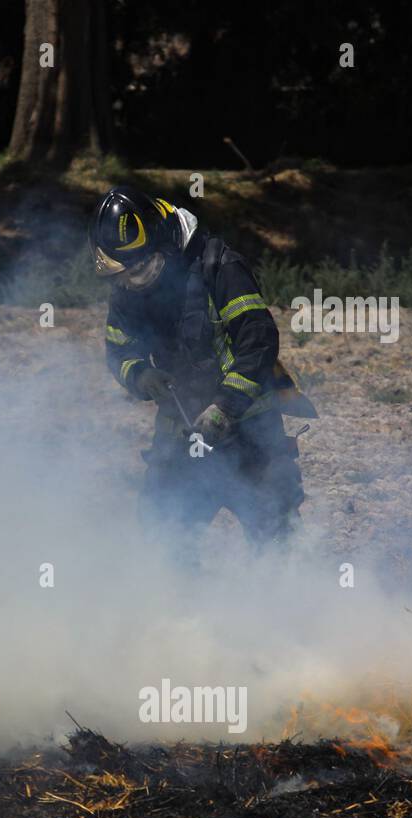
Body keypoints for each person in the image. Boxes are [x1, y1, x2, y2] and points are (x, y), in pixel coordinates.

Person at [90, 185, 312, 548]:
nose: (132, 282)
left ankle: (282, 602)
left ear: (165, 247)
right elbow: (118, 346)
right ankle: (180, 603)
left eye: (141, 270)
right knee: (163, 534)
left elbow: (258, 340)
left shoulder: (219, 266)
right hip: (182, 427)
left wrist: (225, 409)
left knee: (276, 534)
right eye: (123, 276)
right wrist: (140, 375)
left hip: (250, 427)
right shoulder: (129, 287)